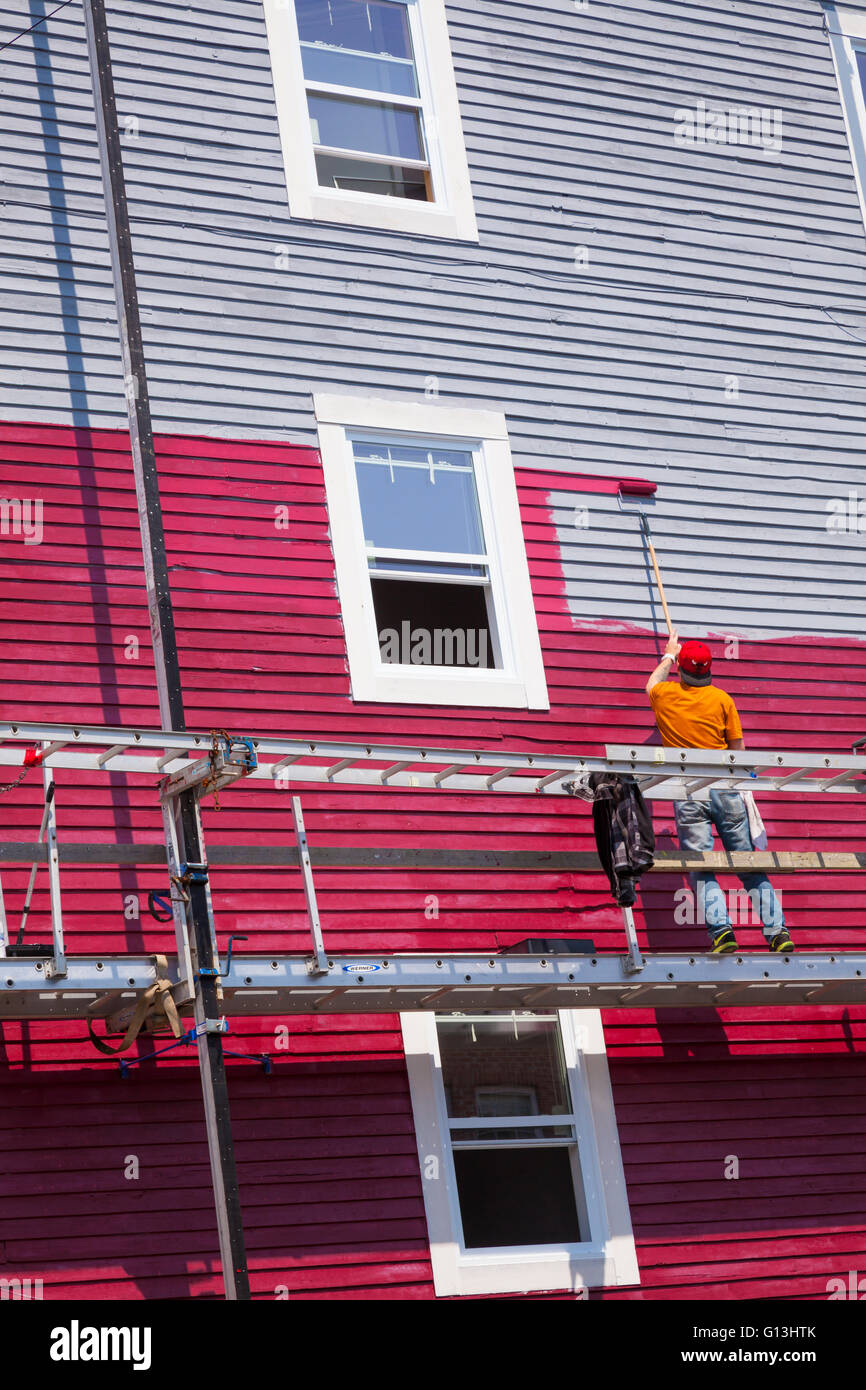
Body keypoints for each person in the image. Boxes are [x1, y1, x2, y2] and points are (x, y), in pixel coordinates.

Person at [645, 630, 793, 954]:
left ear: (682, 671)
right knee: (747, 863)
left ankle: (723, 932)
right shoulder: (723, 699)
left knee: (700, 864)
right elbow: (737, 751)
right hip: (725, 789)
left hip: (687, 791)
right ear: (709, 672)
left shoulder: (665, 696)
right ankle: (778, 932)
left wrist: (669, 654)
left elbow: (651, 684)